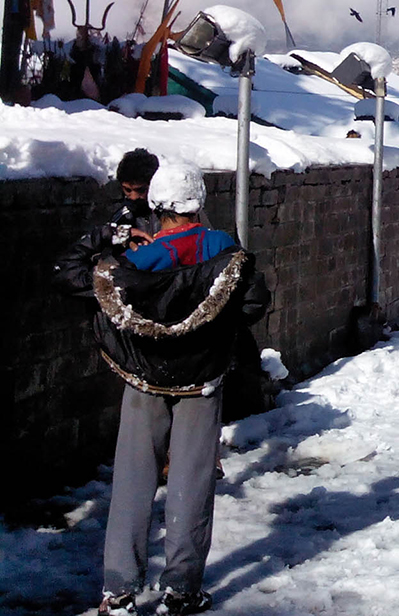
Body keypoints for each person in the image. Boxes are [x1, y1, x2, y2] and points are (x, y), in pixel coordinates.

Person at [55, 159, 270, 616]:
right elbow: (254, 301)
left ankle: (119, 589)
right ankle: (182, 589)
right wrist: (210, 336)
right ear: (199, 204)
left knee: (133, 481)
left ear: (157, 204)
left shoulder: (138, 260)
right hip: (202, 382)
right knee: (191, 485)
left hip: (144, 380)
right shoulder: (225, 251)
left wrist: (108, 237)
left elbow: (70, 276)